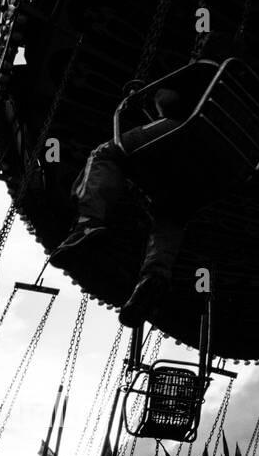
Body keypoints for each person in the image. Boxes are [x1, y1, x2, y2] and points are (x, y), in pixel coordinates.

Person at [50, 86, 195, 327]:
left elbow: (171, 99)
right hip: (219, 166)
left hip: (188, 128)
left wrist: (150, 92)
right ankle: (155, 275)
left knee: (106, 154)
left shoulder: (197, 80)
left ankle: (88, 222)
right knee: (169, 211)